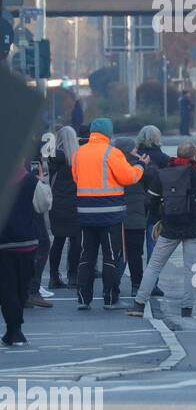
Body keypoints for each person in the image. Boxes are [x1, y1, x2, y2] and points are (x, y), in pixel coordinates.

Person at [129, 140, 196, 318]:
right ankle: (187, 309)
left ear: (177, 154)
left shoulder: (163, 174)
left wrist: (159, 218)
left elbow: (149, 200)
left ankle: (139, 304)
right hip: (194, 228)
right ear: (194, 156)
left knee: (154, 266)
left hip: (170, 227)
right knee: (193, 268)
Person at [72, 117, 144, 310]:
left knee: (87, 255)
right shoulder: (112, 153)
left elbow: (75, 177)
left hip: (85, 213)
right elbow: (128, 177)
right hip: (111, 214)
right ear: (108, 132)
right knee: (111, 256)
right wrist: (140, 167)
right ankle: (110, 298)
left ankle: (83, 299)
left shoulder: (79, 153)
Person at [1, 163, 53, 346]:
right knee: (22, 286)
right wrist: (42, 182)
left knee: (7, 288)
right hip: (27, 241)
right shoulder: (30, 180)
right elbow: (44, 205)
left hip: (4, 242)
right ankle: (16, 327)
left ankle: (13, 328)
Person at [114, 137, 150, 299]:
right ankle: (136, 285)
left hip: (117, 218)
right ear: (128, 150)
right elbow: (152, 182)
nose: (137, 151)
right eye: (134, 149)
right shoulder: (138, 167)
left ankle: (113, 286)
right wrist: (144, 164)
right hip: (136, 218)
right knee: (135, 254)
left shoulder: (113, 165)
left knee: (119, 254)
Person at [47, 125, 81, 289]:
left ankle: (54, 277)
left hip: (57, 203)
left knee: (58, 241)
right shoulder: (78, 158)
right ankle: (73, 276)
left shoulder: (52, 157)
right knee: (75, 241)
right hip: (75, 204)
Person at [134, 125, 170, 278]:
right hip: (156, 207)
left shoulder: (134, 157)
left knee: (133, 248)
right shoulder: (164, 159)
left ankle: (132, 282)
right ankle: (152, 283)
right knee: (154, 248)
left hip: (135, 206)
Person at [24, 156, 53, 309]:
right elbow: (44, 202)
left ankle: (24, 291)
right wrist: (40, 181)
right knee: (41, 243)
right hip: (30, 202)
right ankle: (31, 290)